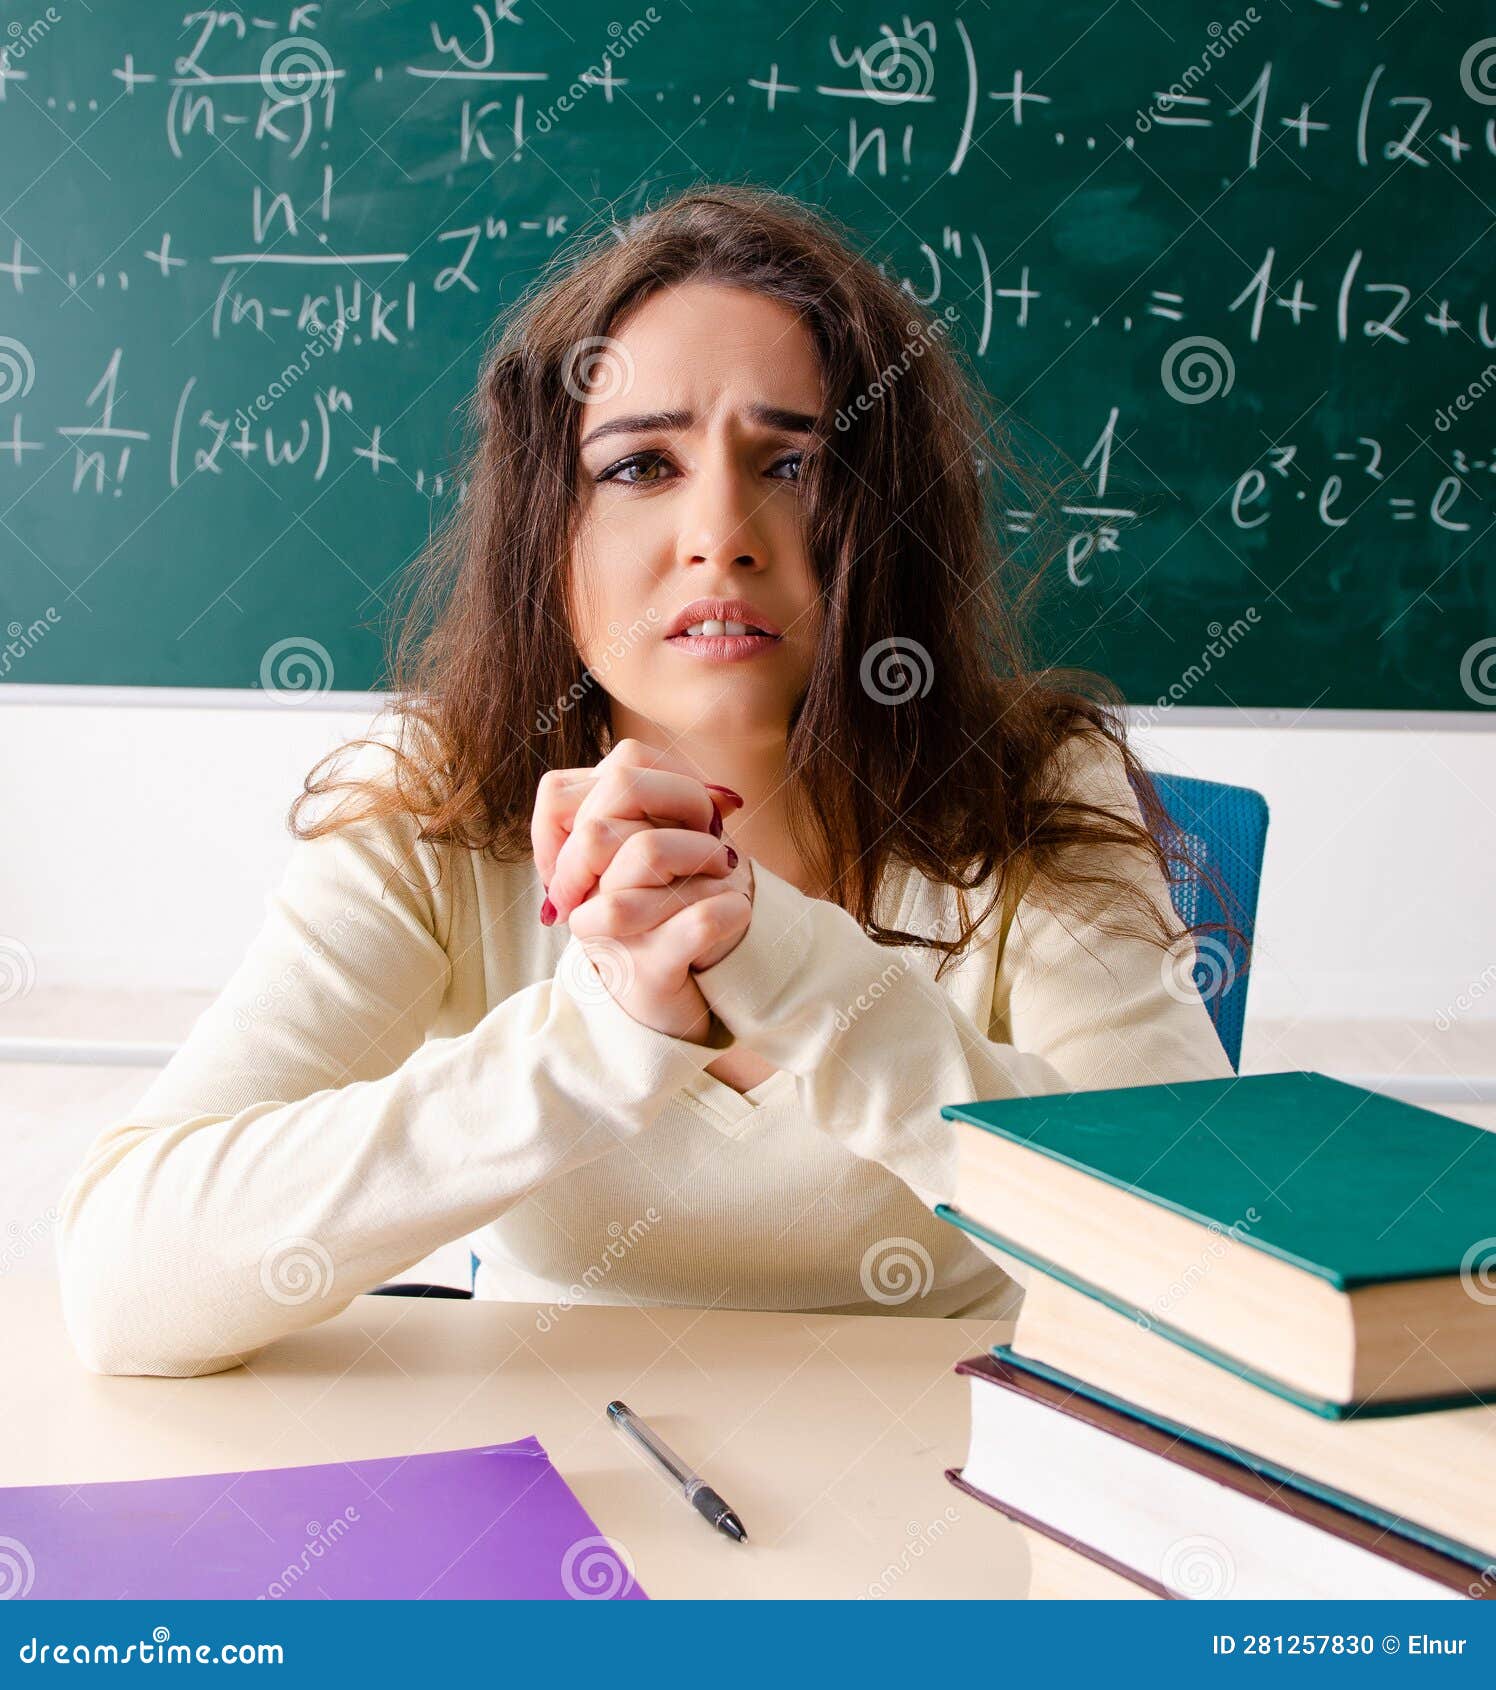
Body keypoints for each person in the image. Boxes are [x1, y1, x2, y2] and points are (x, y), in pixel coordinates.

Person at [55, 184, 1241, 1378]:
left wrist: (790, 962)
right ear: (545, 530)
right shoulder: (429, 803)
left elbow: (1219, 1285)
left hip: (947, 1496)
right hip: (557, 1490)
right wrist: (596, 1040)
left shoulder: (1030, 786)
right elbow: (122, 1284)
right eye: (637, 467)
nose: (719, 532)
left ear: (887, 521)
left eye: (791, 461)